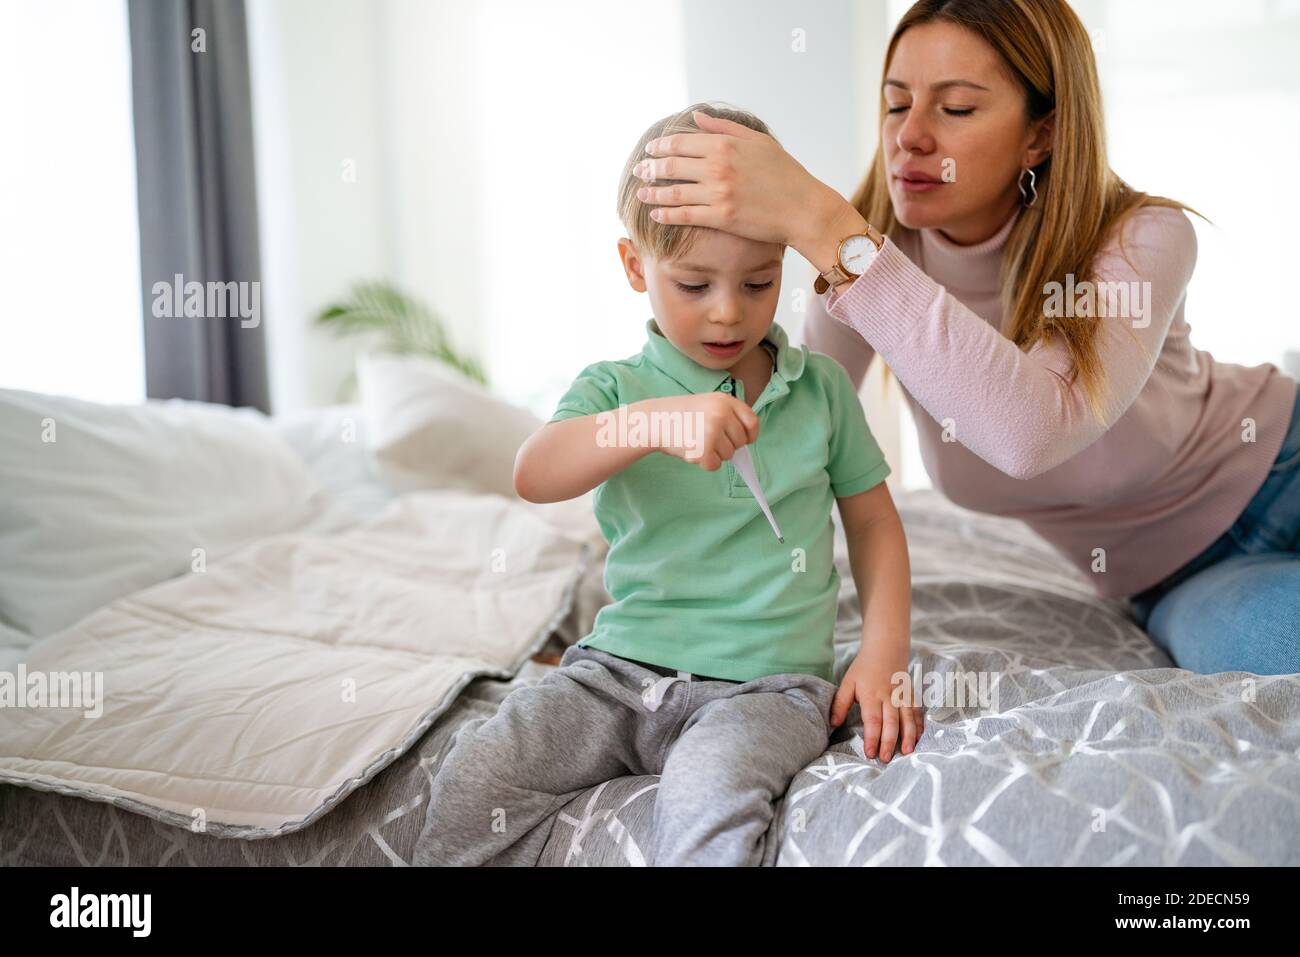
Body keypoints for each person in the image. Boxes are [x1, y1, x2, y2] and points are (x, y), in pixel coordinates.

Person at [632, 0, 1299, 674]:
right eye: (896, 105)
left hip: (1284, 461)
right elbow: (773, 441)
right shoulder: (869, 264)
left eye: (955, 109)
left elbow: (1032, 428)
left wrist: (820, 218)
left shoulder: (1142, 238)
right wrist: (645, 629)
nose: (910, 137)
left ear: (1041, 135)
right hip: (1174, 577)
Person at [415, 105, 914, 868]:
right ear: (634, 265)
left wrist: (883, 653)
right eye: (693, 283)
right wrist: (648, 424)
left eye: (759, 281)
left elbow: (876, 526)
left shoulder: (820, 390)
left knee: (708, 802)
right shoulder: (616, 390)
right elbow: (535, 471)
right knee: (476, 773)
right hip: (618, 674)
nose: (728, 310)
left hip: (767, 688)